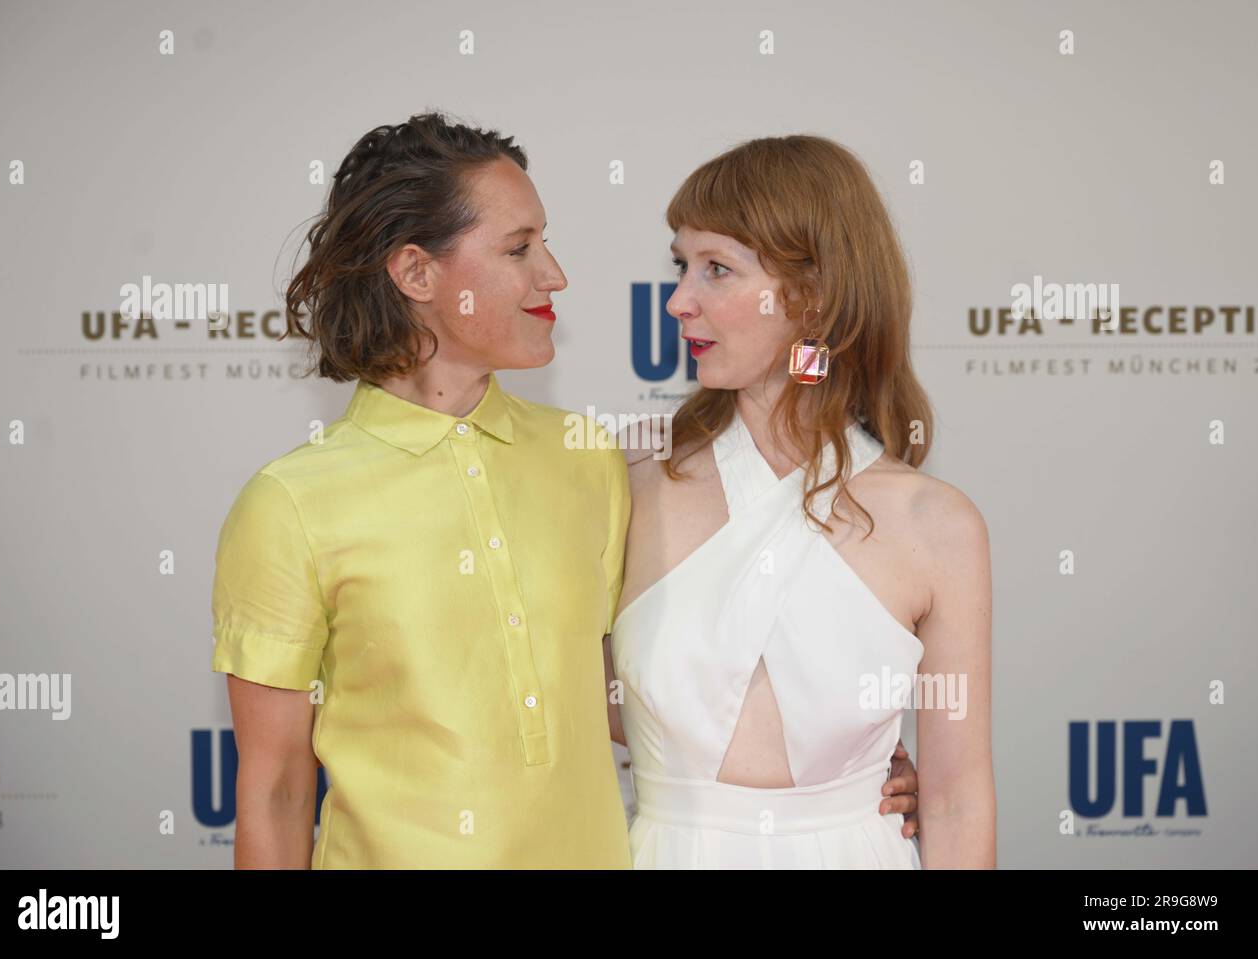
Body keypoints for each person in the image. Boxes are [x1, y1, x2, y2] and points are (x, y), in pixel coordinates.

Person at [210, 112, 921, 868]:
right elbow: (276, 790)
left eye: (545, 242)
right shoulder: (289, 503)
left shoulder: (591, 463)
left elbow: (659, 682)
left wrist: (839, 770)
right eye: (520, 248)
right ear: (417, 273)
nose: (554, 274)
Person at [607, 135, 995, 868]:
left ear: (813, 295)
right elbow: (564, 697)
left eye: (716, 269)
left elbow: (956, 795)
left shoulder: (935, 523)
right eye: (680, 265)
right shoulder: (627, 478)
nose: (678, 300)